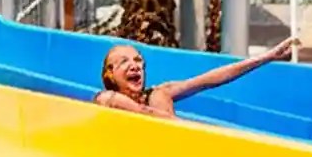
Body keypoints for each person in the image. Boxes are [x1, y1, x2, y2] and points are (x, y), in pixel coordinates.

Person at [92, 37, 296, 118]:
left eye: (138, 61)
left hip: (170, 154)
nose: (134, 66)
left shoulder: (157, 95)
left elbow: (208, 79)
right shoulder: (107, 98)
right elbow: (139, 111)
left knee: (160, 95)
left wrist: (266, 57)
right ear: (109, 74)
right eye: (124, 62)